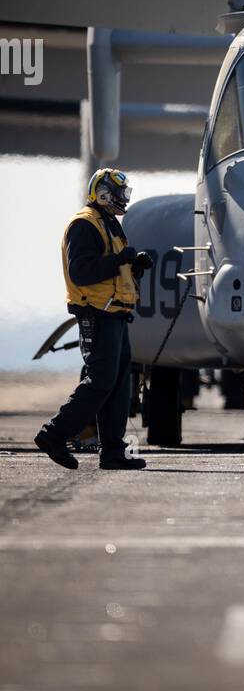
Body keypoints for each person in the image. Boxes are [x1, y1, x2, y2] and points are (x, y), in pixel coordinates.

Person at [34, 168, 153, 471]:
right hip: (98, 314)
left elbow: (112, 272)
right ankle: (54, 434)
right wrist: (120, 261)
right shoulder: (85, 225)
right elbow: (82, 272)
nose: (124, 200)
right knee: (100, 381)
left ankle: (113, 451)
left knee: (117, 385)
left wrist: (134, 267)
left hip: (115, 313)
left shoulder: (107, 224)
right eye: (119, 194)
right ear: (103, 194)